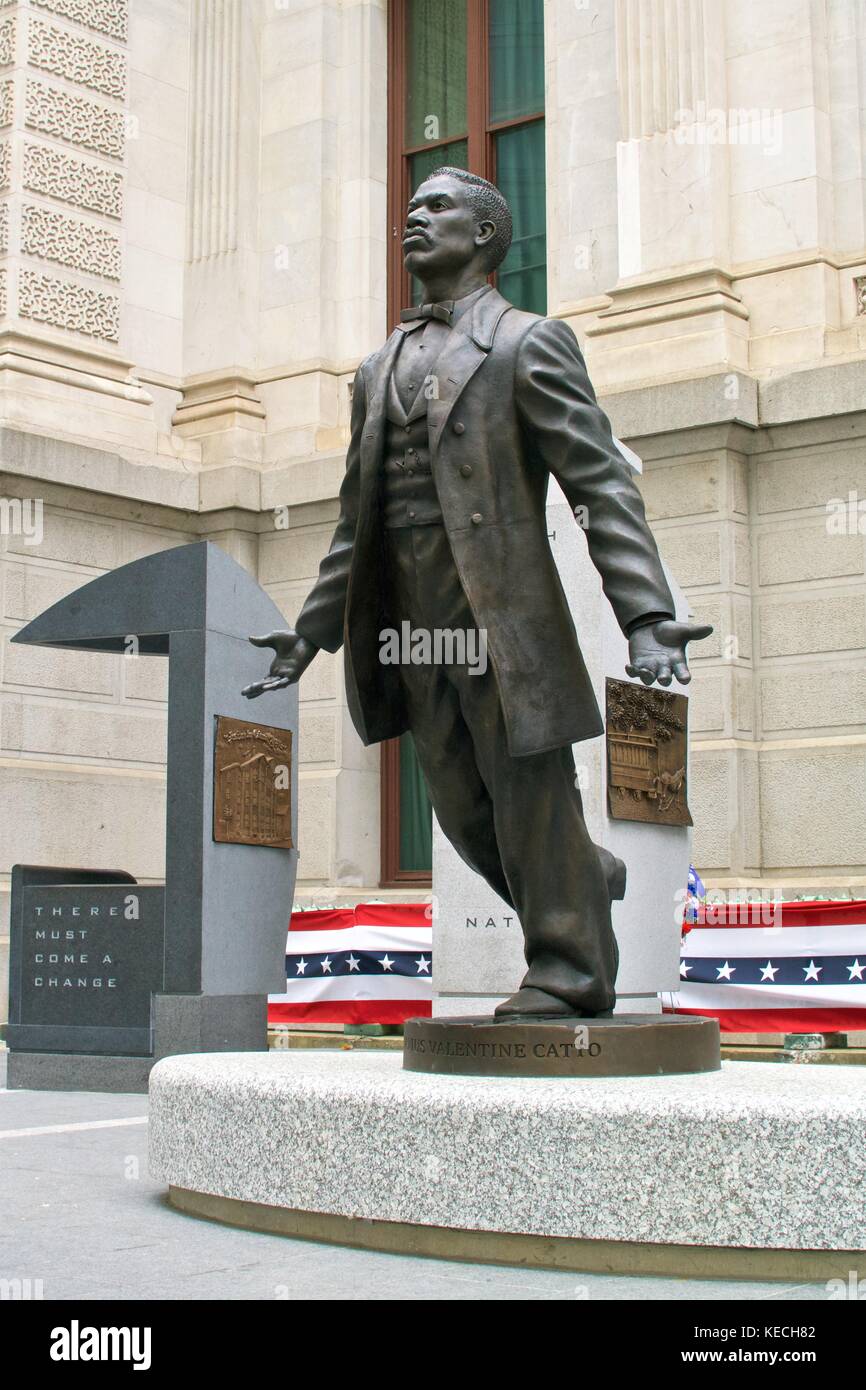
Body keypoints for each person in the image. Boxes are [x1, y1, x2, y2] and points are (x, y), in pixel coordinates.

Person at [244, 167, 711, 1018]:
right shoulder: (374, 367)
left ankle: (569, 971)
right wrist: (309, 634)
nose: (414, 219)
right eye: (411, 208)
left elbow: (600, 484)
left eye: (439, 207)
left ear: (487, 235)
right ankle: (581, 870)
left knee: (528, 792)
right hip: (413, 629)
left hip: (505, 621)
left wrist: (645, 618)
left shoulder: (531, 343)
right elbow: (358, 518)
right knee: (461, 812)